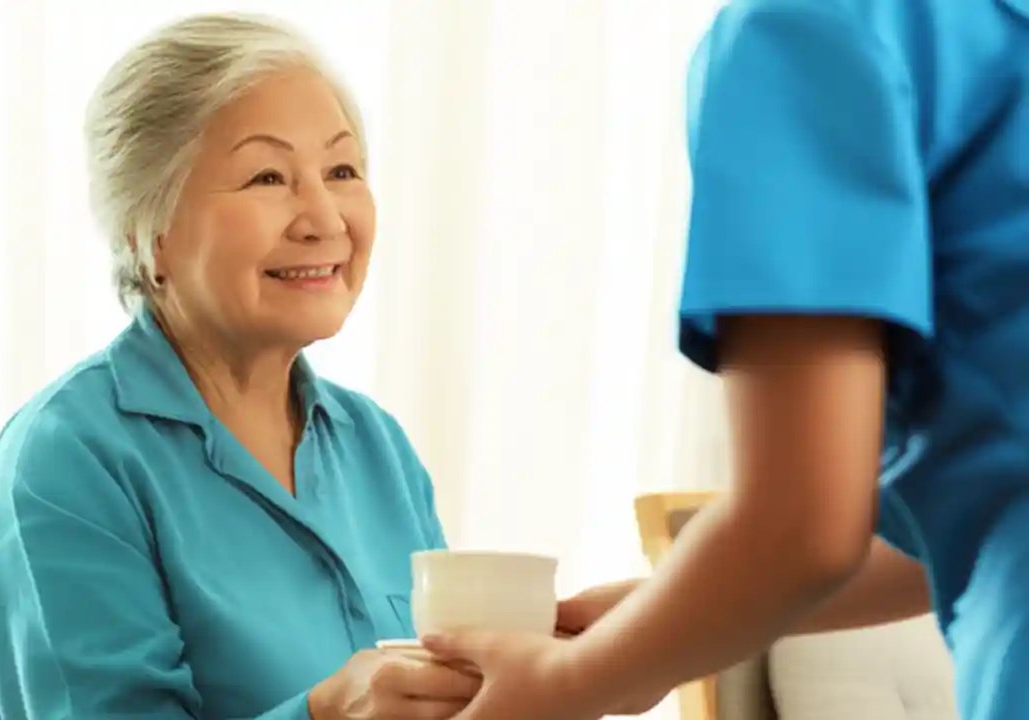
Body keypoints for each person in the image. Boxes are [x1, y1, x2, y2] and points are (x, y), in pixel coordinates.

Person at [422, 1, 1029, 718]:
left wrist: (571, 685)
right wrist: (661, 616)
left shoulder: (809, 28)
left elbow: (801, 528)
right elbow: (975, 512)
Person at [0, 13, 480, 720]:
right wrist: (325, 713)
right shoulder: (65, 464)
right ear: (151, 232)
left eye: (342, 170)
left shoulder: (376, 447)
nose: (324, 218)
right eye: (268, 177)